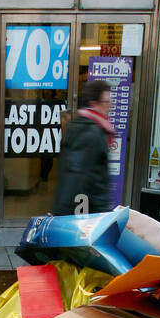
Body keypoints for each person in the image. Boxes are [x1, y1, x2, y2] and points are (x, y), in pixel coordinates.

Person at [54, 78, 114, 216]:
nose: (110, 106)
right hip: (89, 213)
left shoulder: (81, 125)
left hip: (86, 210)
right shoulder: (91, 133)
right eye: (106, 102)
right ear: (93, 103)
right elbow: (74, 178)